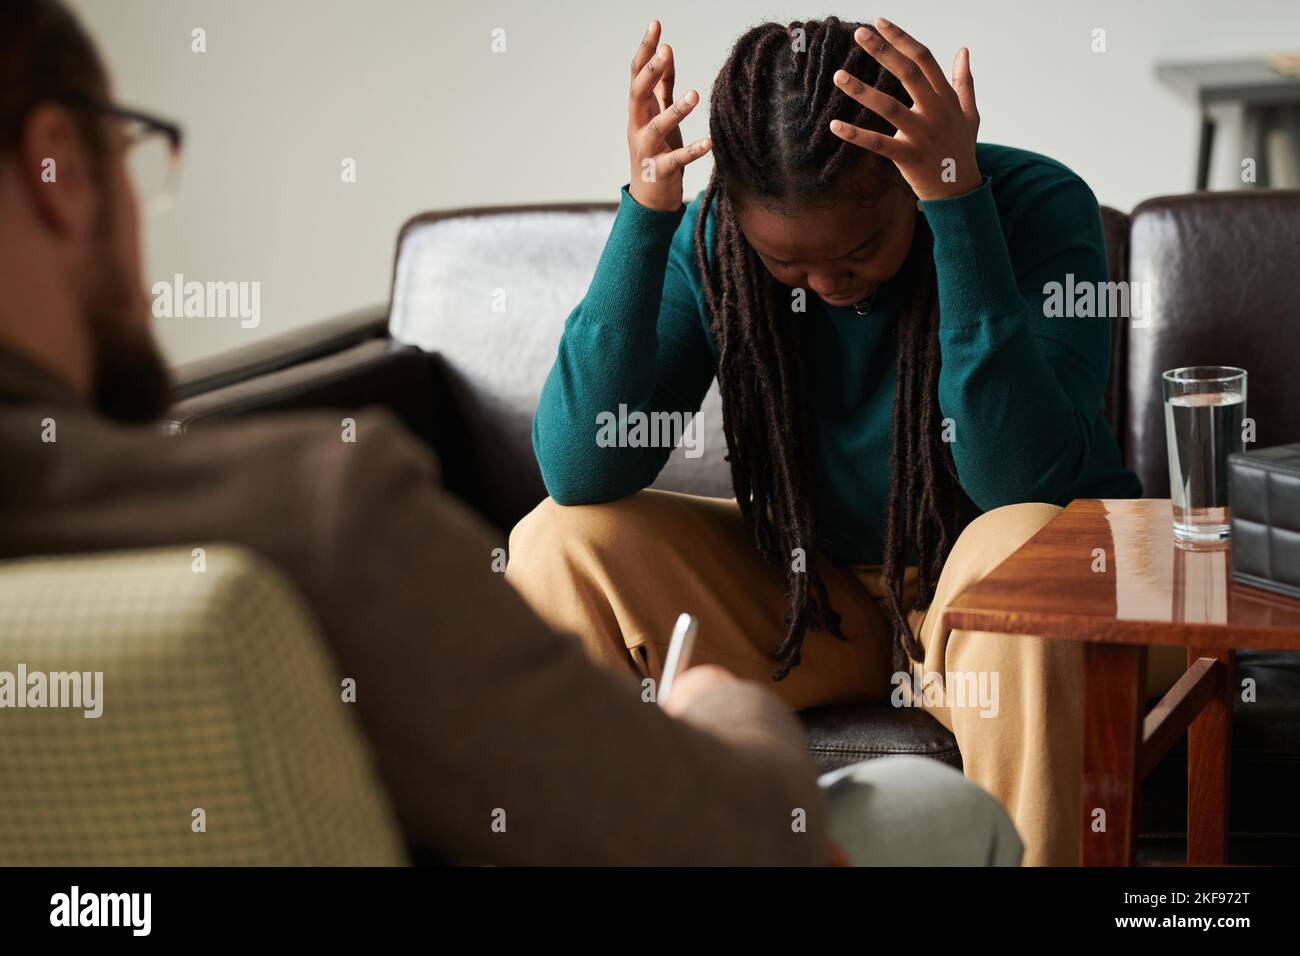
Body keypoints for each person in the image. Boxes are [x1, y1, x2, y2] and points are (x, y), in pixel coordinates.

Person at [0, 0, 1022, 866]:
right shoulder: (312, 515)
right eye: (134, 156)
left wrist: (956, 208)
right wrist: (729, 716)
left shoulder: (1018, 202)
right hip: (790, 654)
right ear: (61, 169)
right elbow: (697, 828)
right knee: (951, 813)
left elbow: (1020, 474)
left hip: (960, 578)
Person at [507, 16, 1182, 866]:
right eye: (788, 267)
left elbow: (1019, 476)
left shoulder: (1039, 204)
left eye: (861, 251)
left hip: (1026, 605)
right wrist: (647, 218)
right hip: (818, 608)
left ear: (908, 177)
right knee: (556, 543)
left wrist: (958, 211)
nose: (827, 283)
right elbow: (580, 465)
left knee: (1017, 545)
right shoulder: (714, 241)